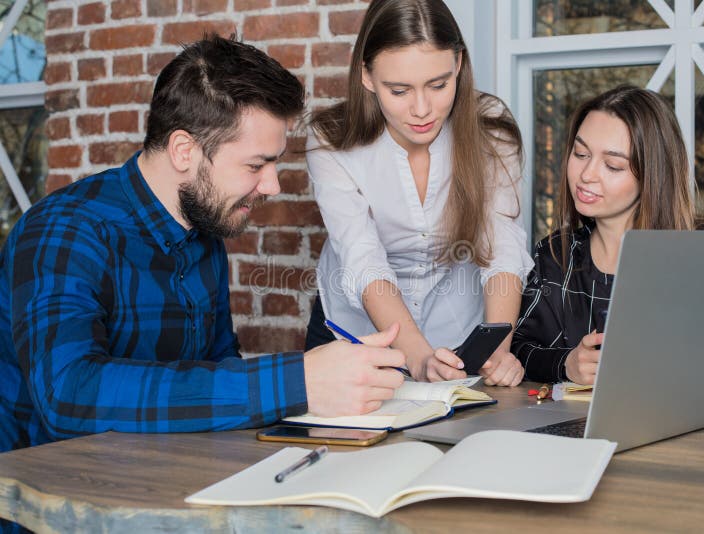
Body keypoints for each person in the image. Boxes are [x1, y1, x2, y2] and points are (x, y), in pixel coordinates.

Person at [0, 35, 408, 456]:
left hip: (163, 480)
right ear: (184, 150)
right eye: (256, 165)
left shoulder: (205, 229)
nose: (272, 185)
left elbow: (217, 370)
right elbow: (68, 395)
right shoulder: (63, 230)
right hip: (46, 503)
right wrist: (297, 381)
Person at [511, 84, 704, 391]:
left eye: (613, 165)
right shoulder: (556, 255)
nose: (586, 174)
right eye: (580, 153)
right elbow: (519, 350)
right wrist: (566, 363)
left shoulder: (703, 250)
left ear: (652, 175)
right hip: (574, 433)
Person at [304, 0, 533, 386]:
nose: (423, 109)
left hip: (460, 325)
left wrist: (498, 345)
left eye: (439, 84)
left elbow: (502, 246)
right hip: (360, 328)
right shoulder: (331, 140)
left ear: (458, 64)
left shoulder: (491, 129)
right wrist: (418, 357)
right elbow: (364, 260)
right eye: (399, 90)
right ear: (367, 76)